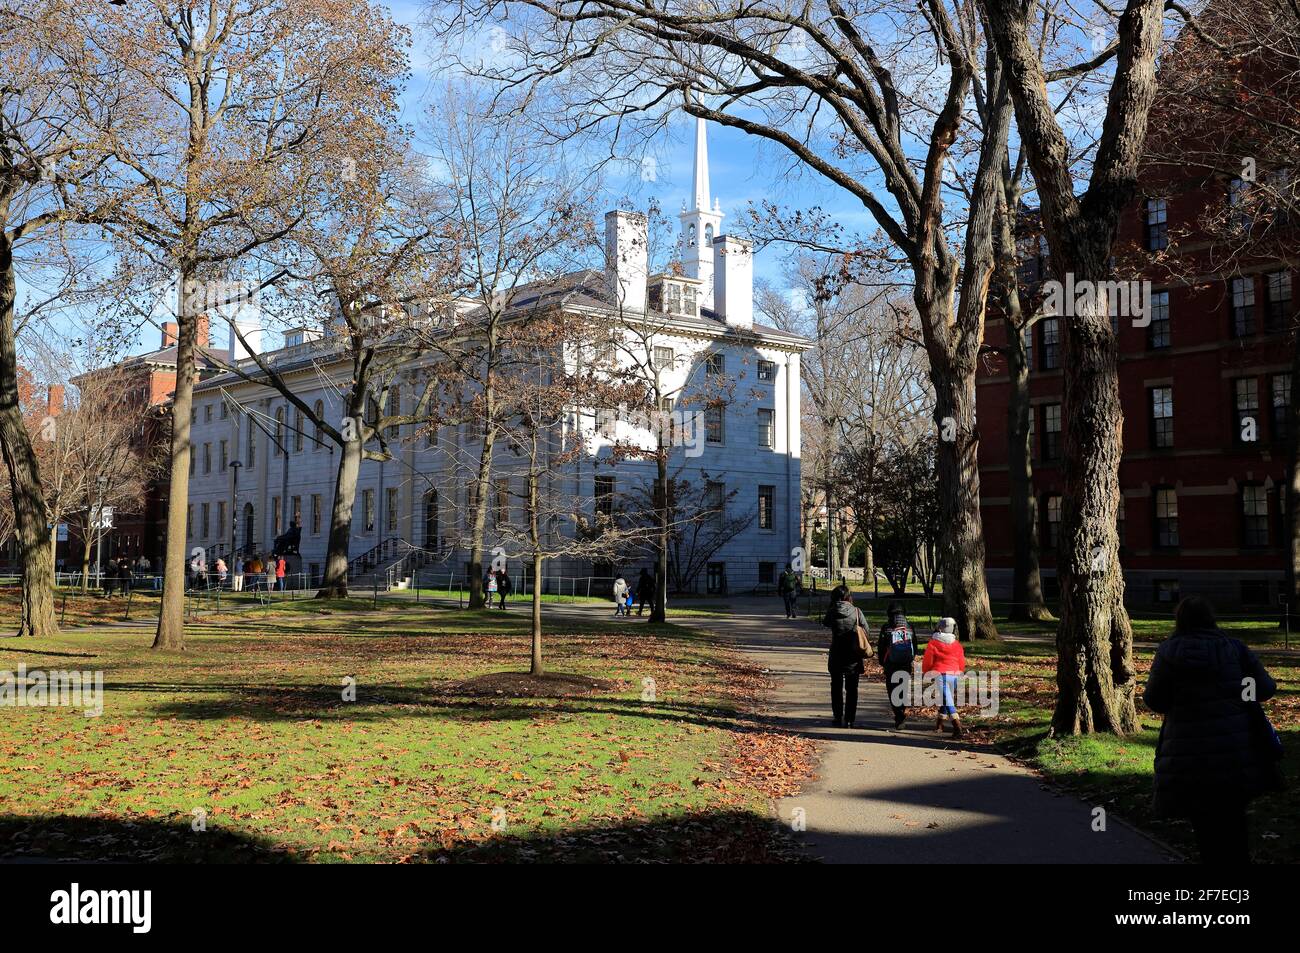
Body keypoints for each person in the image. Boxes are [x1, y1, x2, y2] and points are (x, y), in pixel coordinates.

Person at [1144, 596, 1280, 864]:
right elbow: (1265, 690)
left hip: (1187, 752)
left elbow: (1155, 700)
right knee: (1235, 823)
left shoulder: (1168, 653)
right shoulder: (1235, 650)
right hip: (1235, 750)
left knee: (1204, 826)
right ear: (1211, 618)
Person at [821, 585, 868, 728]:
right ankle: (849, 718)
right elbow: (866, 631)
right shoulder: (857, 612)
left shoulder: (832, 612)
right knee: (852, 688)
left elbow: (825, 623)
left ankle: (837, 716)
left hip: (836, 653)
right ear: (848, 596)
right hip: (853, 655)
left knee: (836, 687)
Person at [922, 617, 966, 739]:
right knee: (947, 698)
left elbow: (928, 661)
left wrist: (926, 671)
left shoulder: (933, 643)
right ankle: (939, 725)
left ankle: (957, 726)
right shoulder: (957, 644)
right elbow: (961, 661)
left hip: (940, 674)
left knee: (947, 700)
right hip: (955, 674)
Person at [877, 602, 917, 729]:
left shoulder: (886, 627)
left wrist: (882, 661)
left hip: (891, 664)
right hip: (905, 663)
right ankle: (901, 713)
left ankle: (898, 715)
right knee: (903, 689)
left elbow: (881, 646)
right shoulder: (910, 627)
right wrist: (910, 658)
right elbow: (914, 646)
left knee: (892, 689)